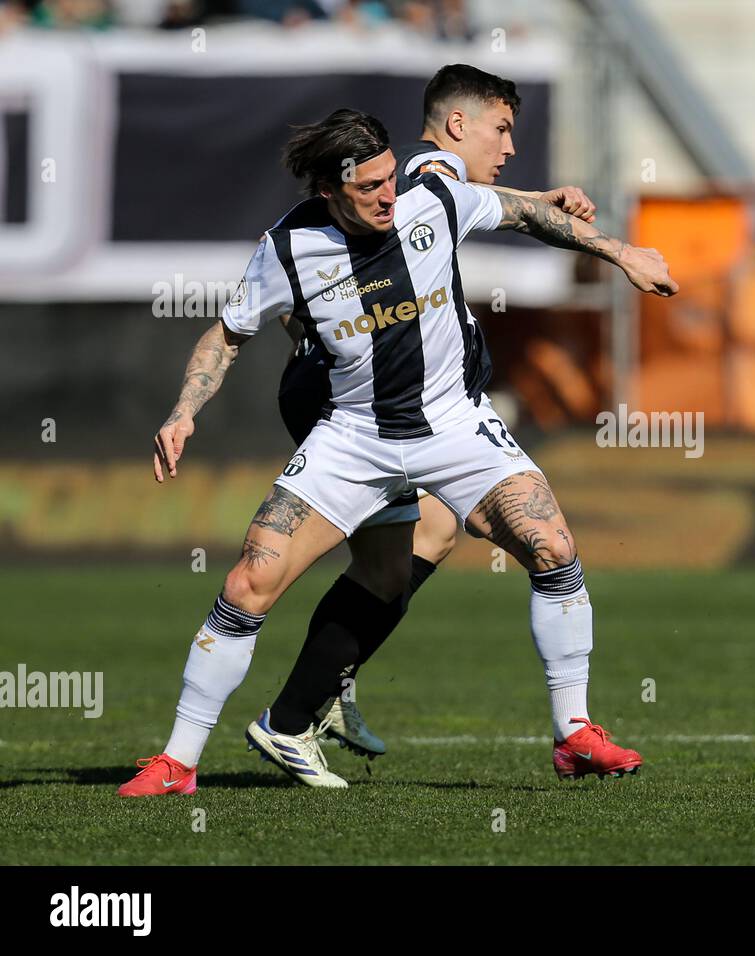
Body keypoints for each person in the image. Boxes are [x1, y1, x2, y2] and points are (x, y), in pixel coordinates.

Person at [118, 106, 676, 798]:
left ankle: (574, 735)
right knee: (247, 585)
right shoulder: (289, 248)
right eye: (369, 188)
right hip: (353, 438)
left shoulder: (430, 199)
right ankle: (177, 762)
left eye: (389, 178)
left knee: (553, 547)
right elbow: (229, 335)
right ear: (329, 190)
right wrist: (182, 411)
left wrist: (623, 253)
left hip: (454, 428)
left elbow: (522, 214)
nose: (388, 196)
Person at [269, 65, 598, 766]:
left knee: (427, 542)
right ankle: (301, 703)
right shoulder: (425, 165)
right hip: (357, 402)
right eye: (501, 128)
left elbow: (463, 198)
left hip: (352, 391)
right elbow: (443, 189)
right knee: (410, 554)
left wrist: (537, 197)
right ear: (457, 124)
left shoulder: (425, 179)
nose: (508, 146)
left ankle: (315, 693)